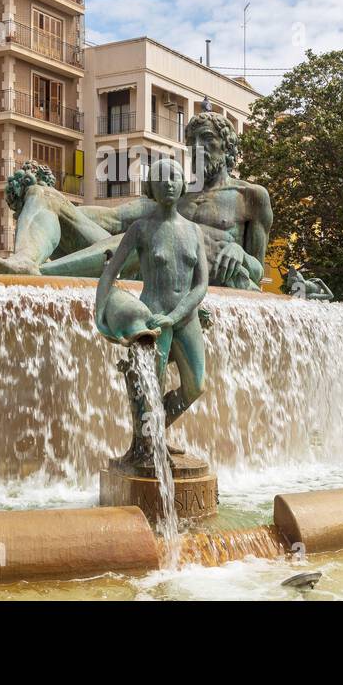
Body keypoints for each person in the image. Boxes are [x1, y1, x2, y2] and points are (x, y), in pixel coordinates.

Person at [0, 111, 271, 289]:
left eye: (206, 139)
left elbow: (258, 268)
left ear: (228, 148)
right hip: (139, 266)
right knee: (43, 195)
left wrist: (242, 256)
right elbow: (111, 219)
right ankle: (24, 261)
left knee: (143, 235)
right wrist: (52, 207)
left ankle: (39, 275)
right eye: (191, 143)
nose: (197, 148)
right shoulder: (174, 194)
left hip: (188, 280)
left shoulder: (251, 197)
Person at [95, 157, 209, 463]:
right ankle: (149, 443)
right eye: (160, 178)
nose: (168, 183)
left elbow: (201, 285)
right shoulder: (141, 229)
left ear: (183, 184)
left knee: (196, 385)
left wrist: (176, 315)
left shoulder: (194, 232)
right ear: (151, 188)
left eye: (174, 177)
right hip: (151, 319)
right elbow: (110, 272)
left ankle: (152, 432)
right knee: (151, 387)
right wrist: (101, 313)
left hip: (184, 317)